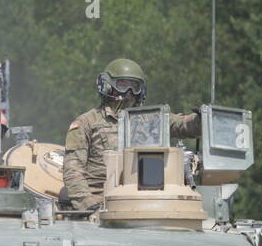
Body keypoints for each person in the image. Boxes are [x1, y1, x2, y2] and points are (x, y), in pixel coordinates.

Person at [62, 58, 200, 211]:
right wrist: (88, 207)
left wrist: (204, 120)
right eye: (122, 85)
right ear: (107, 86)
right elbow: (73, 170)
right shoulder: (86, 123)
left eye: (134, 86)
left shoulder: (151, 119)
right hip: (101, 205)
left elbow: (183, 125)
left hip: (144, 203)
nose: (129, 92)